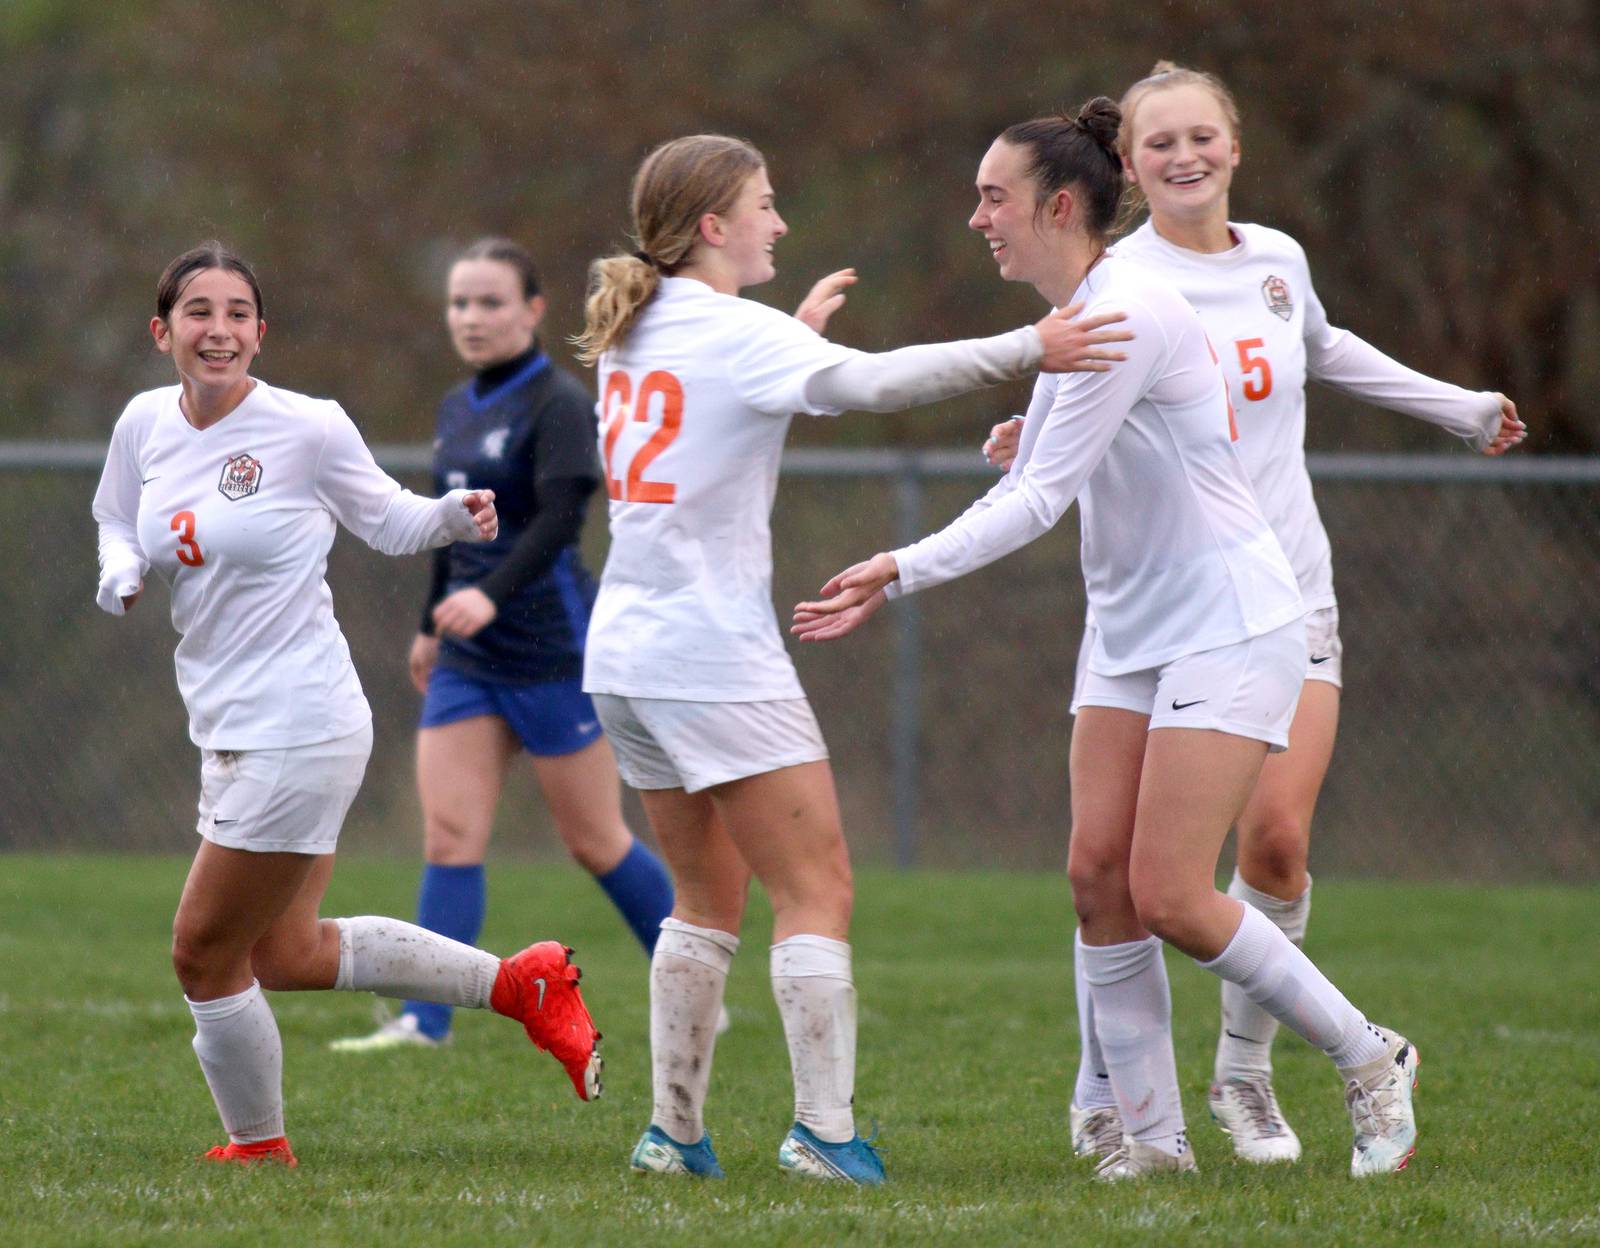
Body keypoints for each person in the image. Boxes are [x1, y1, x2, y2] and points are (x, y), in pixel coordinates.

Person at [794, 101, 1427, 1180]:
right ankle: (1153, 1143)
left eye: (992, 199)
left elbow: (1039, 500)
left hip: (1228, 620)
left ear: (1056, 205)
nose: (976, 219)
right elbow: (1046, 458)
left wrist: (899, 567)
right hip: (1131, 631)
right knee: (1098, 879)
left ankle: (1370, 1058)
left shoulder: (1124, 308)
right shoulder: (1078, 313)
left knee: (1173, 894)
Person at [983, 64, 1524, 1167]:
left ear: (1234, 146)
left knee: (1270, 843)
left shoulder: (1278, 261)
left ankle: (1247, 1078)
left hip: (1279, 596)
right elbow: (1058, 419)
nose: (1184, 157)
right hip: (1146, 606)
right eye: (1158, 144)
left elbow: (1322, 349)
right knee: (1105, 871)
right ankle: (1116, 1106)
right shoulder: (1114, 275)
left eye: (1202, 137)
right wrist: (1022, 442)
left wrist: (1460, 409)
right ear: (1125, 167)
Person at [573, 133, 1132, 1184]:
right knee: (817, 885)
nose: (780, 222)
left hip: (626, 656)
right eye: (766, 204)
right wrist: (1030, 347)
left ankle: (673, 1135)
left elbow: (740, 395)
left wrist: (788, 343)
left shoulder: (641, 326)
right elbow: (871, 386)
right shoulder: (728, 332)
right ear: (712, 227)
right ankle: (824, 1136)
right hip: (710, 656)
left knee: (702, 901)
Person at [92, 242, 602, 1168]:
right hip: (229, 723)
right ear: (163, 331)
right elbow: (115, 519)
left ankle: (259, 1150)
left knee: (203, 953)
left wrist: (453, 516)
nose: (220, 330)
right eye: (199, 312)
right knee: (286, 955)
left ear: (261, 332)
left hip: (300, 721)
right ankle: (521, 986)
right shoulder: (143, 423)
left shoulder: (307, 427)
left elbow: (390, 519)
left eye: (239, 313)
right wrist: (121, 568)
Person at [330, 238, 675, 1053]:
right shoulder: (457, 408)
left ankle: (690, 977)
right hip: (466, 660)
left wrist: (491, 594)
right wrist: (431, 619)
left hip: (553, 652)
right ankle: (427, 1020)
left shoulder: (555, 402)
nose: (472, 318)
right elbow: (453, 523)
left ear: (533, 310)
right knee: (450, 835)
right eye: (460, 303)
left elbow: (561, 519)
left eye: (490, 302)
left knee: (596, 840)